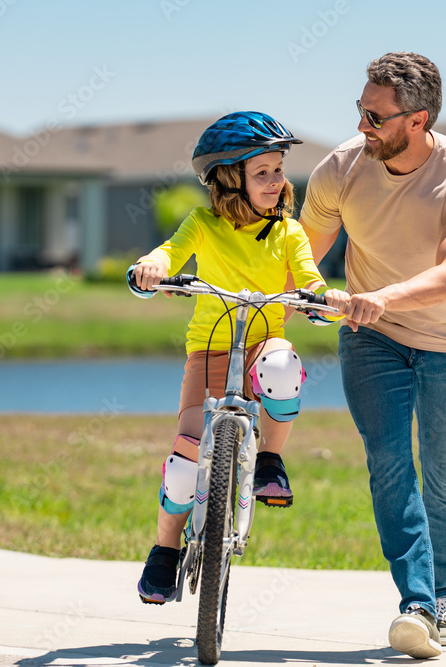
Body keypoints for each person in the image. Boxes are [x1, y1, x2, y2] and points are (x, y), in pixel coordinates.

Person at [300, 52, 446, 659]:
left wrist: (378, 296)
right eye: (360, 111)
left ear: (417, 119)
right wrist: (283, 316)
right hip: (371, 338)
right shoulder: (340, 169)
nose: (362, 125)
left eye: (375, 116)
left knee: (444, 478)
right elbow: (302, 254)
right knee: (389, 461)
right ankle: (415, 603)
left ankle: (443, 591)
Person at [132, 111, 344, 604]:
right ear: (231, 179)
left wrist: (321, 297)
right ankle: (164, 551)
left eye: (279, 169)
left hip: (262, 342)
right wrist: (152, 266)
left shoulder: (288, 232)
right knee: (186, 454)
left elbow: (309, 276)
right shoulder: (204, 222)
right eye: (262, 172)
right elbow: (171, 251)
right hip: (210, 347)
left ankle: (270, 458)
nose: (277, 181)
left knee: (282, 365)